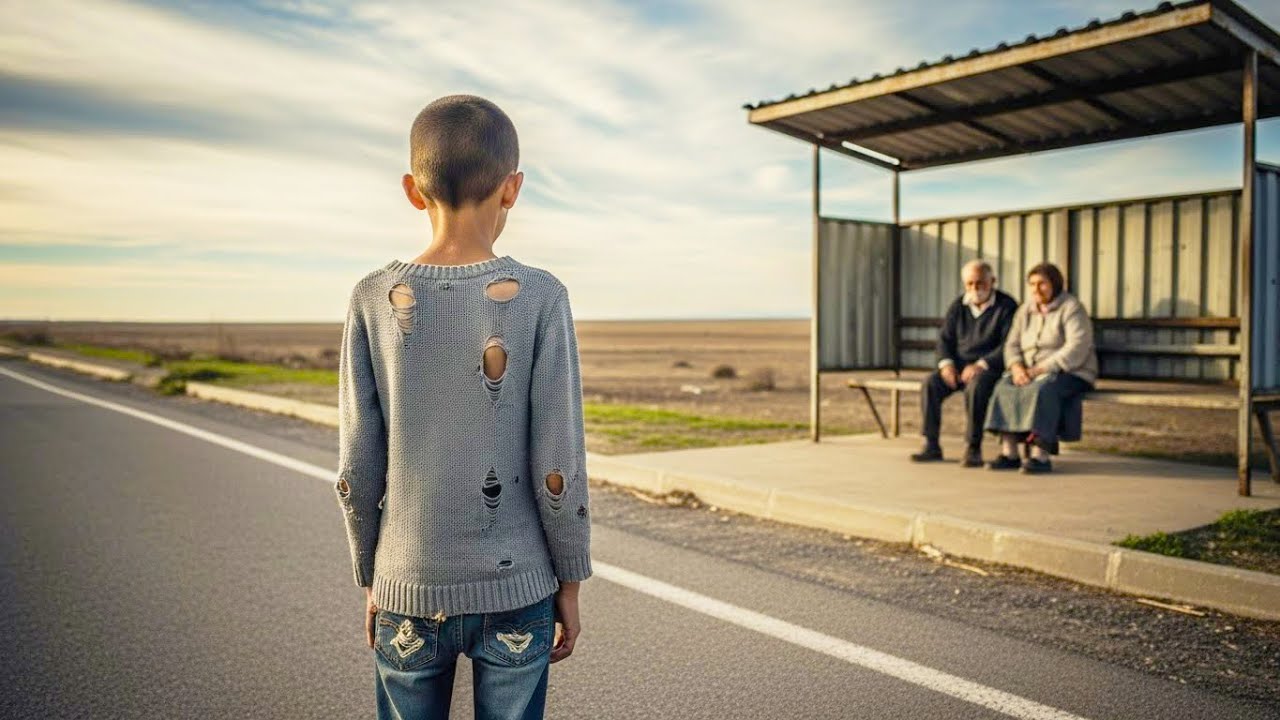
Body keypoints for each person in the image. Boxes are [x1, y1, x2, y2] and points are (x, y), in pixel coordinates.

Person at [335, 94, 591, 720]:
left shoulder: (372, 298)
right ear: (513, 188)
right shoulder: (542, 297)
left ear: (412, 189)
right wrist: (570, 583)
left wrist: (374, 576)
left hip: (408, 585)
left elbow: (356, 469)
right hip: (519, 588)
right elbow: (558, 462)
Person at [984, 262, 1098, 474]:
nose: (1036, 289)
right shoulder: (1025, 310)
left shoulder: (1072, 308)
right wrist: (1016, 367)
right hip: (1028, 371)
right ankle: (1010, 454)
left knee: (1043, 391)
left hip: (1070, 371)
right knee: (1004, 387)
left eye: (1042, 284)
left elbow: (1077, 347)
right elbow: (1012, 344)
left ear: (1055, 284)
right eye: (1032, 284)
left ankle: (1040, 456)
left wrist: (1041, 369)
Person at [910, 259, 1019, 467]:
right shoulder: (958, 305)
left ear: (993, 281)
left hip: (990, 368)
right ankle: (930, 444)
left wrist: (981, 364)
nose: (974, 288)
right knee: (930, 384)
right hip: (958, 367)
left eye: (980, 283)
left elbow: (1009, 345)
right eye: (969, 284)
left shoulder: (1007, 306)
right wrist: (947, 364)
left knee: (976, 388)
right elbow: (944, 339)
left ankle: (973, 447)